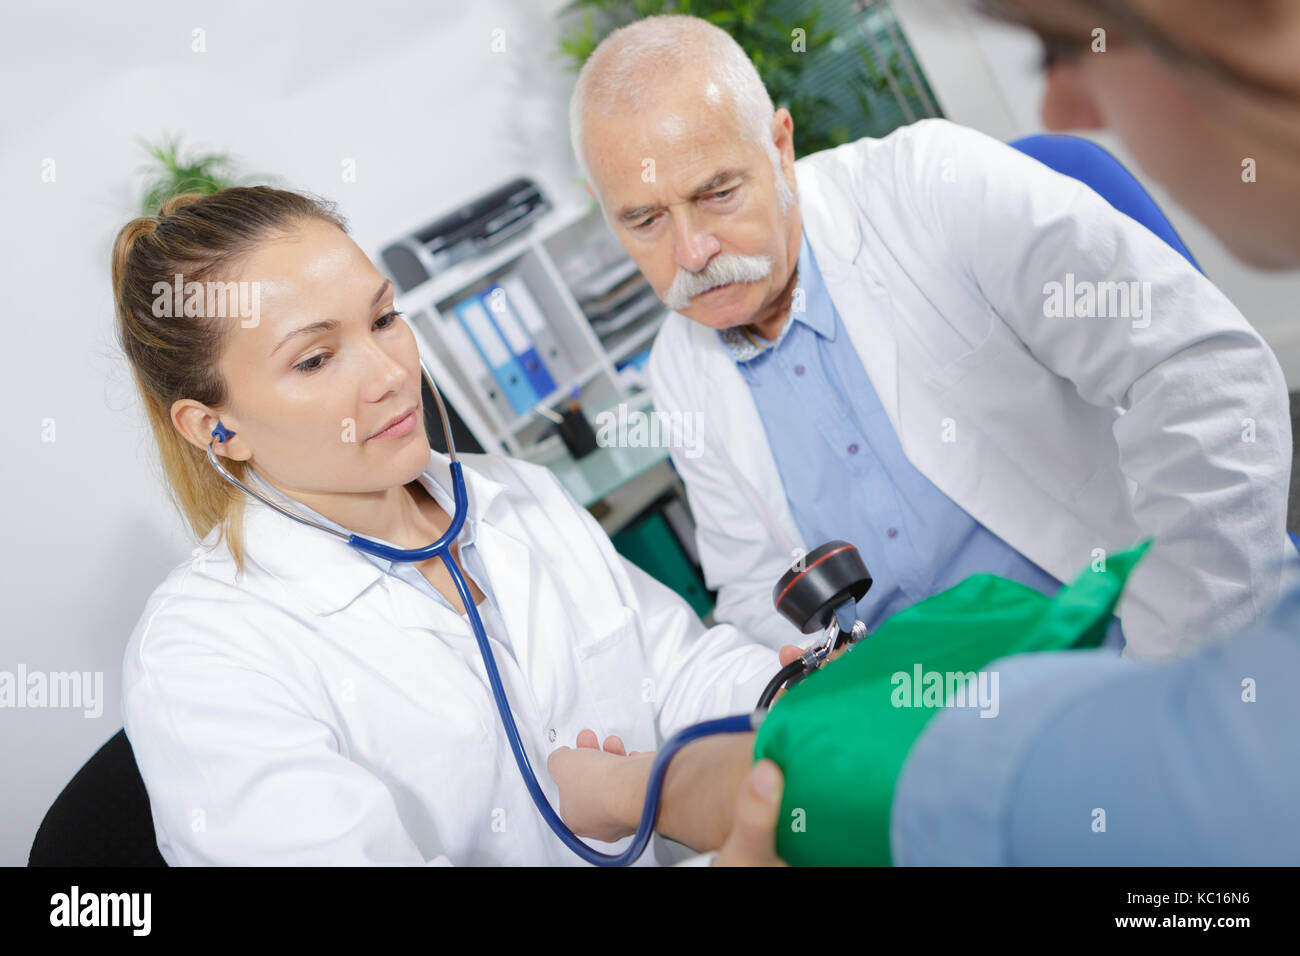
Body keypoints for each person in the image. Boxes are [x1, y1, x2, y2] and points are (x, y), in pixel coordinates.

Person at [546, 0, 1300, 866]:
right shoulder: (679, 368)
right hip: (922, 729)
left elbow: (1198, 372)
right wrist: (809, 683)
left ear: (781, 145)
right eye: (643, 220)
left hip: (1137, 641)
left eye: (717, 191)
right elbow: (756, 591)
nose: (691, 252)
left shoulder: (930, 187)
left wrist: (1176, 681)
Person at [112, 186, 785, 866]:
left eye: (383, 320)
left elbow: (678, 671)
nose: (390, 374)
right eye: (314, 359)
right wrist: (633, 798)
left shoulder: (517, 495)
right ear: (215, 427)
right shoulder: (200, 657)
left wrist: (795, 708)